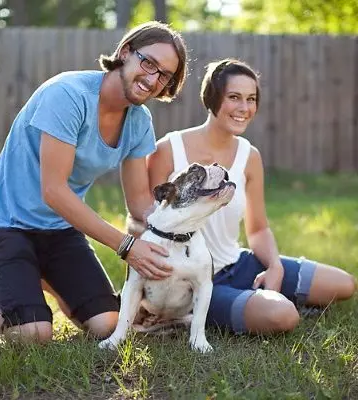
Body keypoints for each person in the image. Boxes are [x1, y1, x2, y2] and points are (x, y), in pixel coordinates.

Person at [0, 21, 188, 343]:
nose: (152, 79)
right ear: (125, 53)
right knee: (33, 336)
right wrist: (127, 247)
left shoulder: (138, 121)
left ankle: (36, 274)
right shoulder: (68, 95)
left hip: (60, 230)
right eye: (148, 63)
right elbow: (53, 191)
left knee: (109, 324)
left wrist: (181, 232)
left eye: (164, 75)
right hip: (6, 226)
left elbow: (139, 204)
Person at [147, 58, 356, 334]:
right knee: (282, 317)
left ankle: (254, 297)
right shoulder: (169, 149)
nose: (244, 108)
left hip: (238, 263)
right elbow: (149, 222)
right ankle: (236, 306)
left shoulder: (249, 156)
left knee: (343, 285)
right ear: (212, 98)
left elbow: (257, 228)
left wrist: (275, 266)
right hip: (192, 281)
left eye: (251, 99)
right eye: (234, 97)